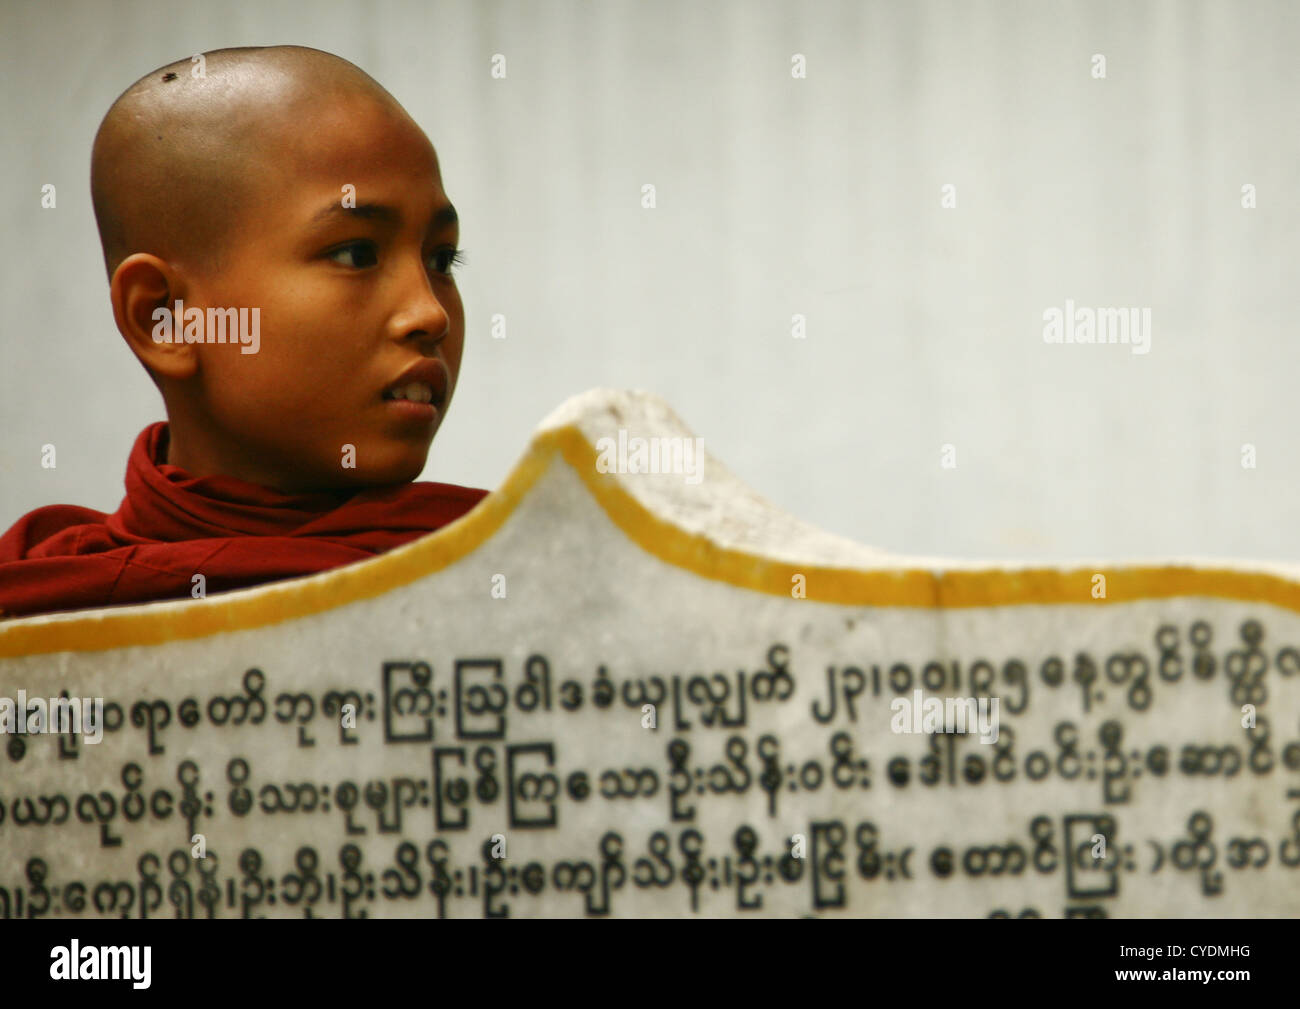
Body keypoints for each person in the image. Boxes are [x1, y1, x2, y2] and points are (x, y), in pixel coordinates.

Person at [0, 45, 488, 620]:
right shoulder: (40, 617)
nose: (431, 314)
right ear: (165, 317)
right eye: (357, 253)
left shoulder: (523, 577)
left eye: (441, 260)